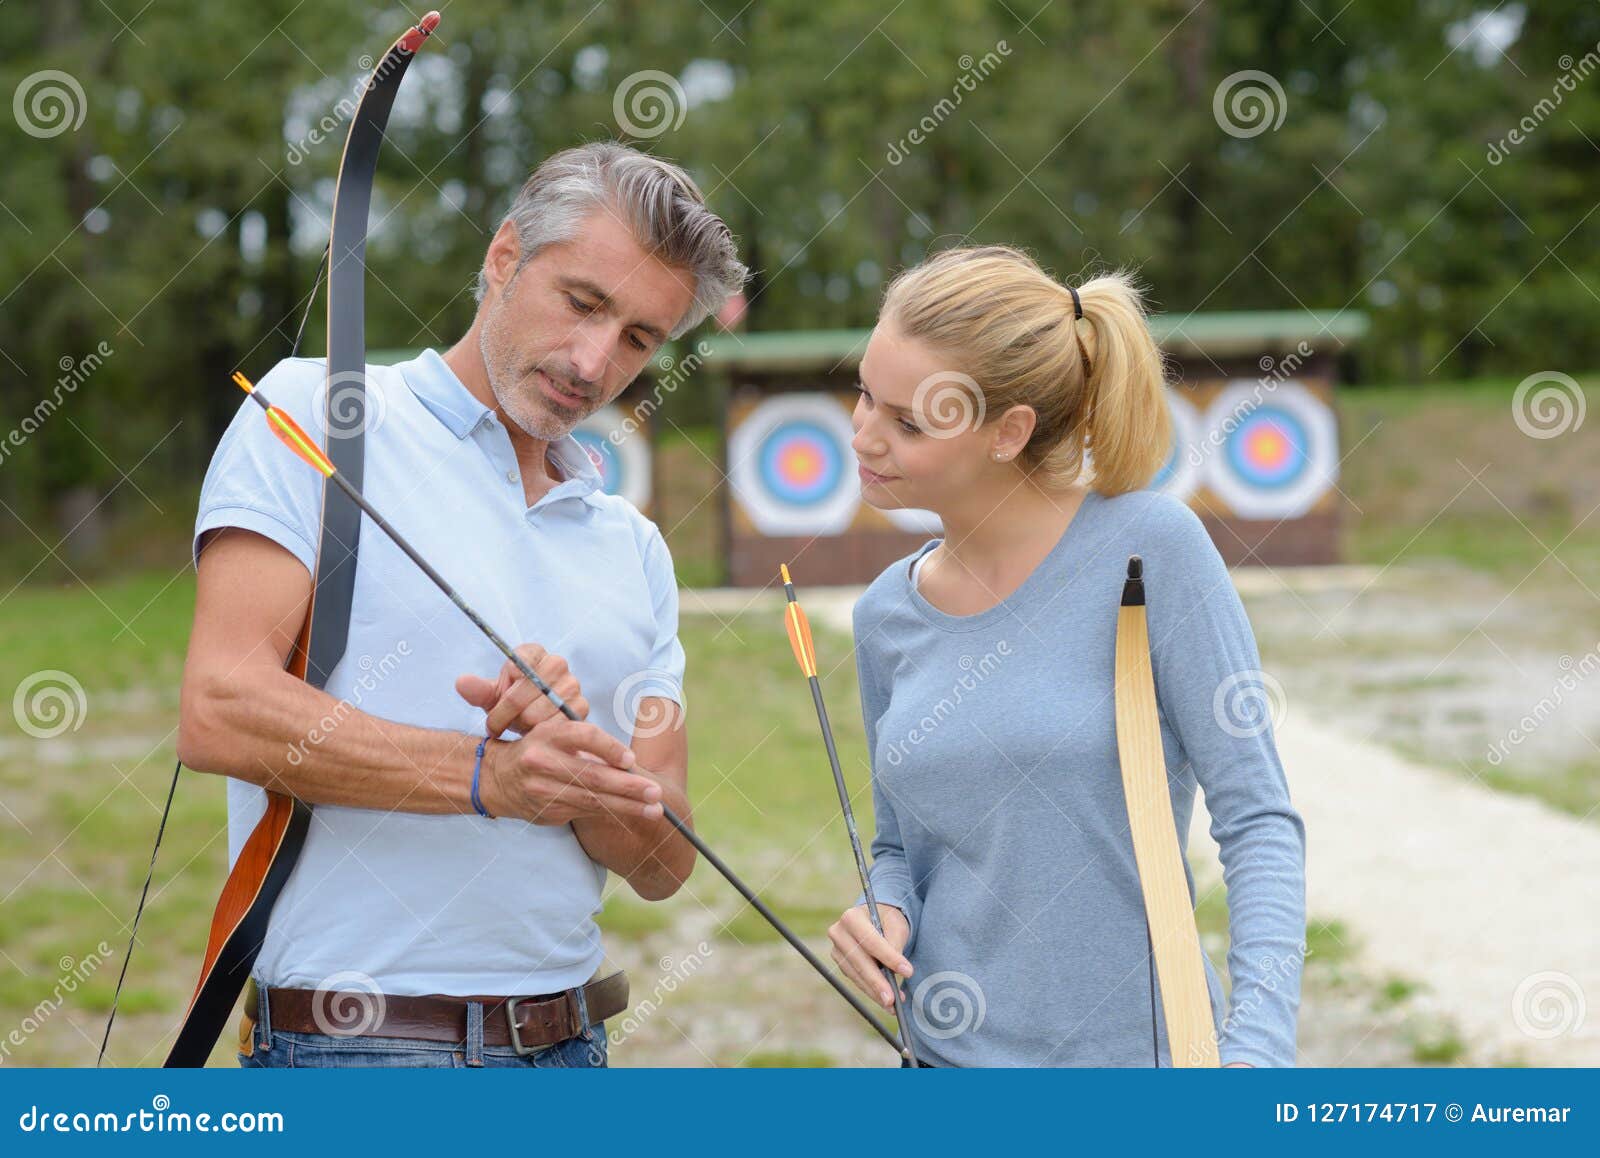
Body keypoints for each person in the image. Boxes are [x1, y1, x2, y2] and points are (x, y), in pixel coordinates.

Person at [178, 142, 747, 1067]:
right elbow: (219, 711)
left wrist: (581, 770)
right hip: (360, 1047)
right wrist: (491, 779)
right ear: (504, 256)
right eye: (583, 302)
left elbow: (662, 861)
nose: (595, 361)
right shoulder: (319, 413)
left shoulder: (632, 545)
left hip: (571, 1045)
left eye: (640, 338)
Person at [826, 246, 1306, 1067]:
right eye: (866, 394)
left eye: (908, 421)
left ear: (1008, 433)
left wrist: (1256, 1057)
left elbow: (1258, 820)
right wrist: (885, 909)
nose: (865, 434)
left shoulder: (1150, 550)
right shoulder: (883, 617)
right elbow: (903, 847)